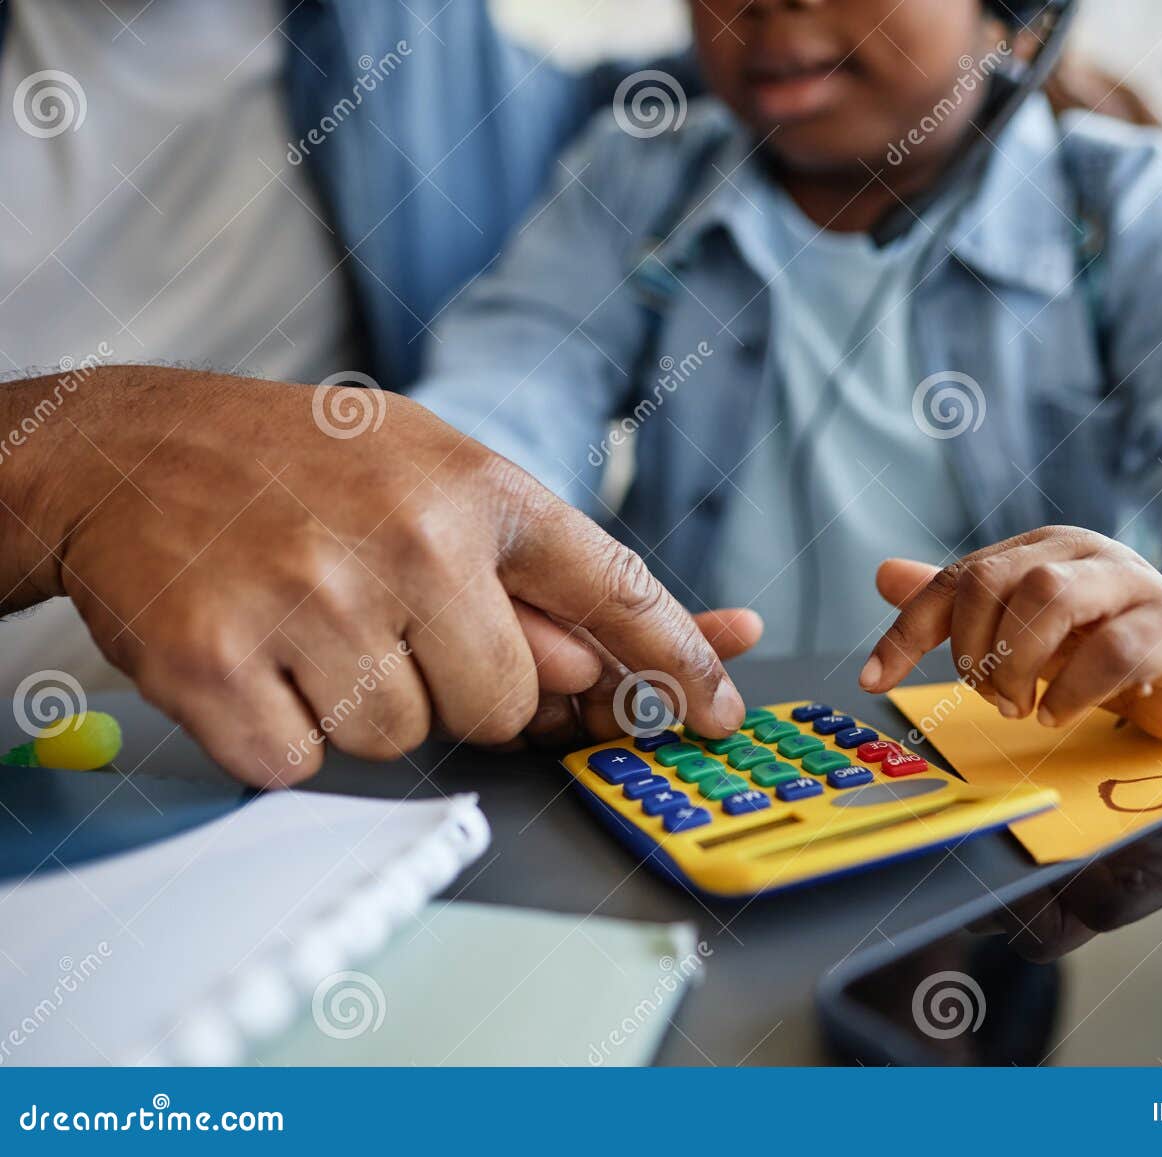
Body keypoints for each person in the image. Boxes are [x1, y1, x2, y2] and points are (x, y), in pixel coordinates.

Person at [413, 0, 1162, 742]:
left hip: (1006, 815)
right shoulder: (634, 178)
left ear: (1016, 15)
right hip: (700, 766)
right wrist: (477, 555)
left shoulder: (1119, 208)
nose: (769, 4)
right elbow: (504, 395)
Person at [0, 1, 766, 786]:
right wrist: (65, 466)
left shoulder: (420, 36)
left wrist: (471, 557)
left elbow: (716, 91)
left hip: (279, 763)